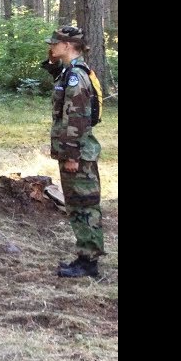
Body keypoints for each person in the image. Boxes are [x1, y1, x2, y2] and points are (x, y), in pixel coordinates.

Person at [46, 26, 105, 279]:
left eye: (55, 43)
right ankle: (85, 257)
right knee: (77, 205)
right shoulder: (70, 71)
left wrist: (71, 155)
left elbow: (77, 118)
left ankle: (88, 262)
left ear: (68, 46)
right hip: (77, 151)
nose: (51, 46)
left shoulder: (76, 76)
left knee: (84, 207)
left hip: (78, 154)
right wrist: (52, 61)